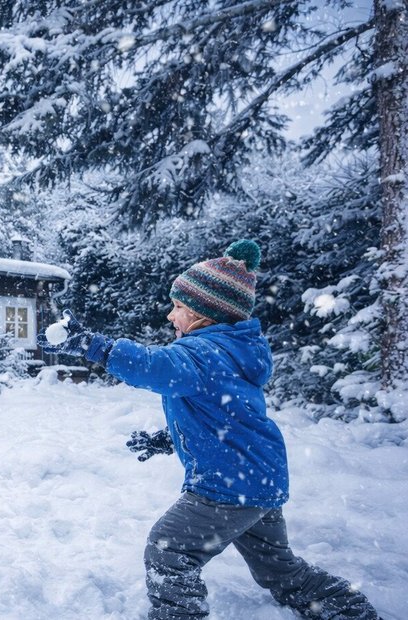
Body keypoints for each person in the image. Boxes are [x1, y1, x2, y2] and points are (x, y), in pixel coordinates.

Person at [39, 240, 378, 619]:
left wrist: (94, 346)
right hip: (259, 480)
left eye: (178, 307)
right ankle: (349, 609)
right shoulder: (233, 351)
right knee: (279, 570)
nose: (170, 315)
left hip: (227, 484)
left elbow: (152, 366)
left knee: (168, 550)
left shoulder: (201, 353)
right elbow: (226, 416)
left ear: (204, 313)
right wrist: (169, 438)